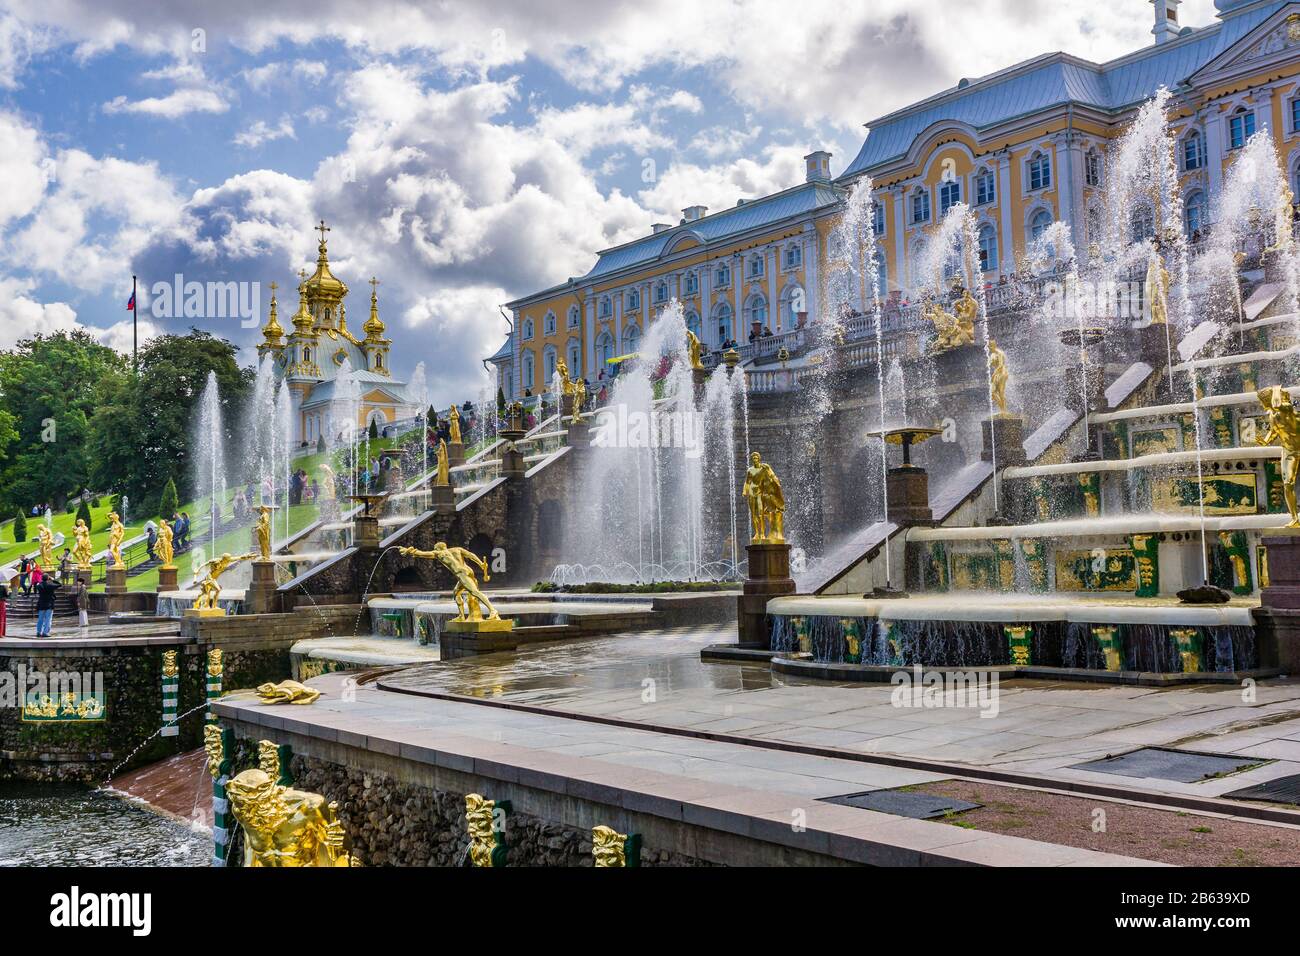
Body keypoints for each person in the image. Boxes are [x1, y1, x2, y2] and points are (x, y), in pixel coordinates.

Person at [33, 572, 60, 637]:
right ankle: (45, 632)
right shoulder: (50, 585)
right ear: (48, 578)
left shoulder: (39, 585)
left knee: (40, 619)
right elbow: (59, 584)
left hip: (41, 604)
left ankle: (39, 632)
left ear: (42, 578)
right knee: (48, 619)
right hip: (49, 604)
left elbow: (35, 586)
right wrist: (53, 580)